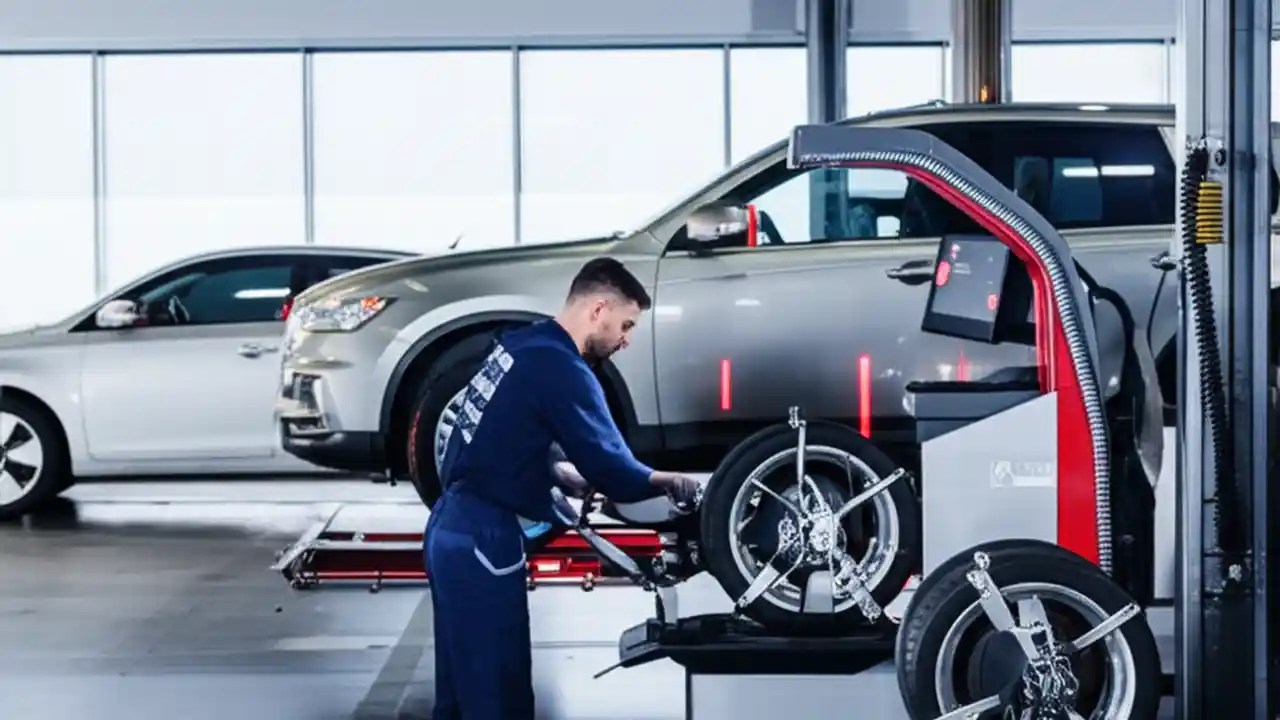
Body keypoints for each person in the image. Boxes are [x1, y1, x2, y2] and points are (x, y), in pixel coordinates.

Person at [423, 257, 701, 719]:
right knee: (499, 698)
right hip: (483, 541)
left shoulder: (519, 344)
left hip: (447, 531)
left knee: (457, 696)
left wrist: (558, 474)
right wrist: (669, 480)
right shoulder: (562, 367)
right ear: (598, 309)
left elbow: (494, 439)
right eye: (626, 325)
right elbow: (614, 469)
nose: (627, 340)